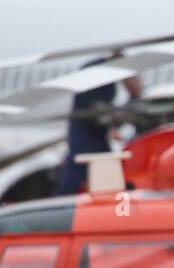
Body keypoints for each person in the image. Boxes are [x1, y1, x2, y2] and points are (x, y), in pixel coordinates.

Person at [52, 57, 142, 197]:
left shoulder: (103, 77)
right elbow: (101, 114)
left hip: (95, 144)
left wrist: (133, 95)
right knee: (72, 185)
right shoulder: (95, 76)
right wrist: (133, 95)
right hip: (86, 148)